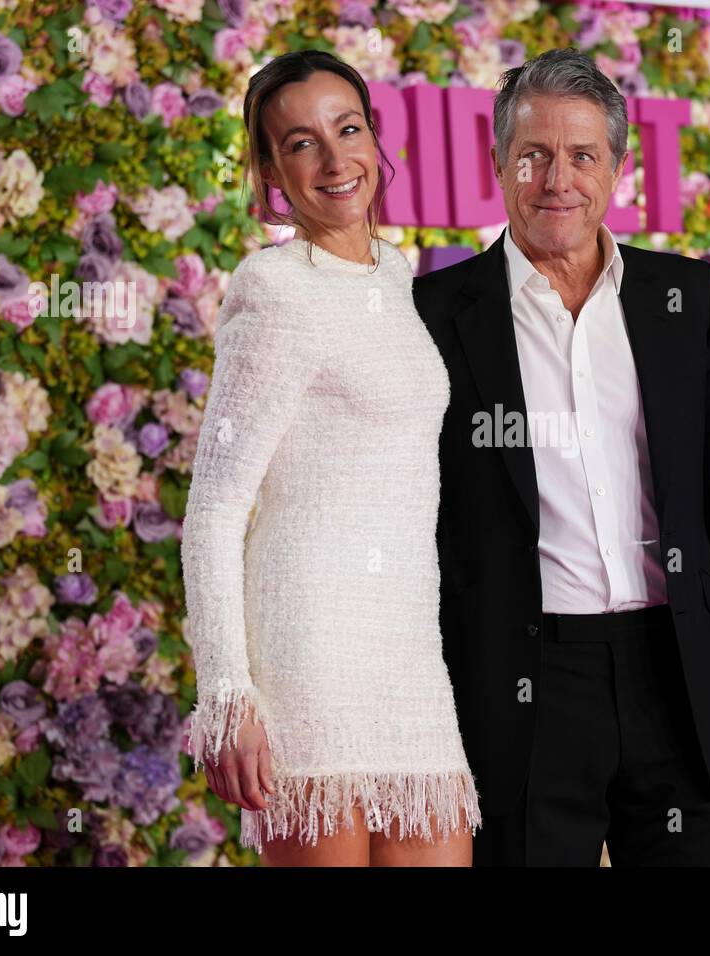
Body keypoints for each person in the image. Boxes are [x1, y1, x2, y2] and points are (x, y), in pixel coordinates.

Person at [412, 48, 710, 866]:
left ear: (618, 169)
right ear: (498, 164)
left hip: (678, 672)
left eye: (583, 155)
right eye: (534, 155)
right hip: (521, 682)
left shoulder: (686, 299)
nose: (559, 178)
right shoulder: (433, 314)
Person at [180, 49, 481, 867]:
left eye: (347, 129)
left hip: (411, 660)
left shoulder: (397, 274)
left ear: (374, 140)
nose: (334, 157)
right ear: (272, 168)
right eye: (301, 142)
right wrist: (228, 697)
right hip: (309, 656)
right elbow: (213, 507)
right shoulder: (275, 288)